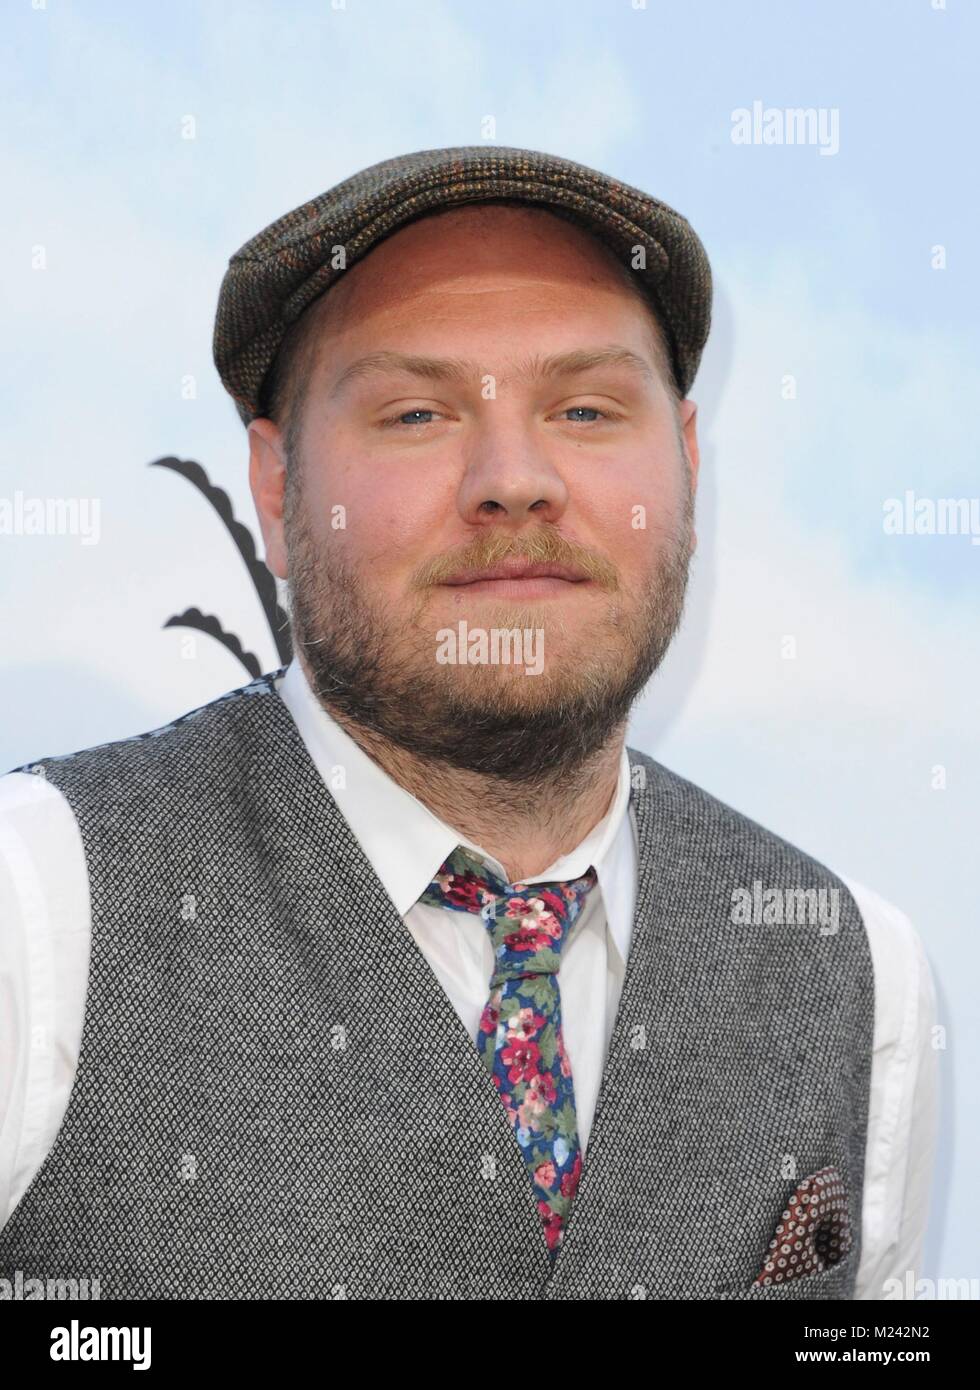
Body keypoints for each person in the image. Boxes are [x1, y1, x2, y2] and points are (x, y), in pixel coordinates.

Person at [0, 146, 937, 1300]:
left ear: (687, 461)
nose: (513, 478)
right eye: (415, 412)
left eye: (586, 408)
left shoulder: (859, 975)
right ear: (278, 486)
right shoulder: (38, 908)